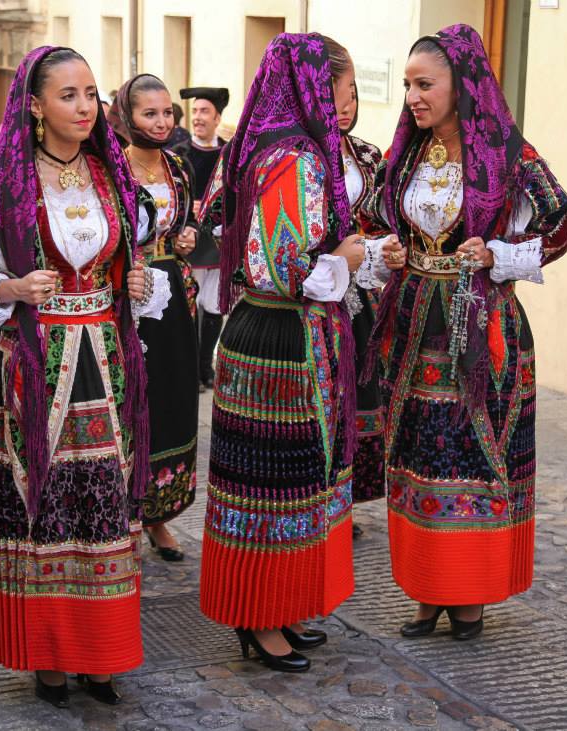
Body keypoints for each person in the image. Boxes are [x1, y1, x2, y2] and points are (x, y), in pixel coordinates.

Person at [0, 45, 168, 709]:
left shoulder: (116, 181)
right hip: (34, 369)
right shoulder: (5, 189)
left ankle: (99, 652)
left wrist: (138, 280)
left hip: (105, 361)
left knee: (101, 505)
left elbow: (145, 262)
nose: (83, 107)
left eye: (90, 94)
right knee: (41, 508)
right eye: (67, 95)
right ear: (35, 105)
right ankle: (46, 653)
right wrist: (12, 284)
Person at [360, 24, 567, 640]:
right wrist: (386, 249)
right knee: (421, 449)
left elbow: (561, 221)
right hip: (411, 321)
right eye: (407, 85)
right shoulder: (404, 154)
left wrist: (500, 254)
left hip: (482, 326)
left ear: (463, 85)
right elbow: (366, 217)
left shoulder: (508, 154)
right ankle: (428, 590)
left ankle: (470, 592)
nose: (412, 98)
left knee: (474, 453)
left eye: (424, 84)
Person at [198, 33, 382, 673]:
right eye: (342, 86)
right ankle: (258, 616)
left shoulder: (261, 150)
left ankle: (277, 605)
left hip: (273, 332)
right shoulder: (295, 158)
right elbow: (282, 265)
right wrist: (349, 255)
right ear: (315, 87)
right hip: (282, 338)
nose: (346, 99)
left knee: (289, 481)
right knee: (272, 483)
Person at [111, 74, 199, 560]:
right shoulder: (111, 170)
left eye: (167, 112)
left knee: (171, 398)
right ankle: (125, 511)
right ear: (127, 117)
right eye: (150, 113)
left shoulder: (179, 167)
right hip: (131, 296)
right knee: (131, 400)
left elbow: (187, 224)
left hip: (176, 297)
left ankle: (160, 516)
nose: (162, 122)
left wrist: (186, 238)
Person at [337, 79, 387, 530]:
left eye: (353, 95)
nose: (346, 106)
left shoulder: (369, 157)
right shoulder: (295, 158)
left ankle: (346, 496)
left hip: (363, 291)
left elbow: (390, 215)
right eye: (338, 95)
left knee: (361, 391)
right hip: (316, 289)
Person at [175, 86, 229, 391]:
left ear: (217, 117)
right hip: (190, 240)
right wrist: (190, 206)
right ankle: (188, 368)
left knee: (213, 306)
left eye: (204, 111)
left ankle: (205, 365)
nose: (197, 117)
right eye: (194, 111)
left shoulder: (228, 154)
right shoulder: (180, 153)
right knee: (189, 304)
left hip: (218, 239)